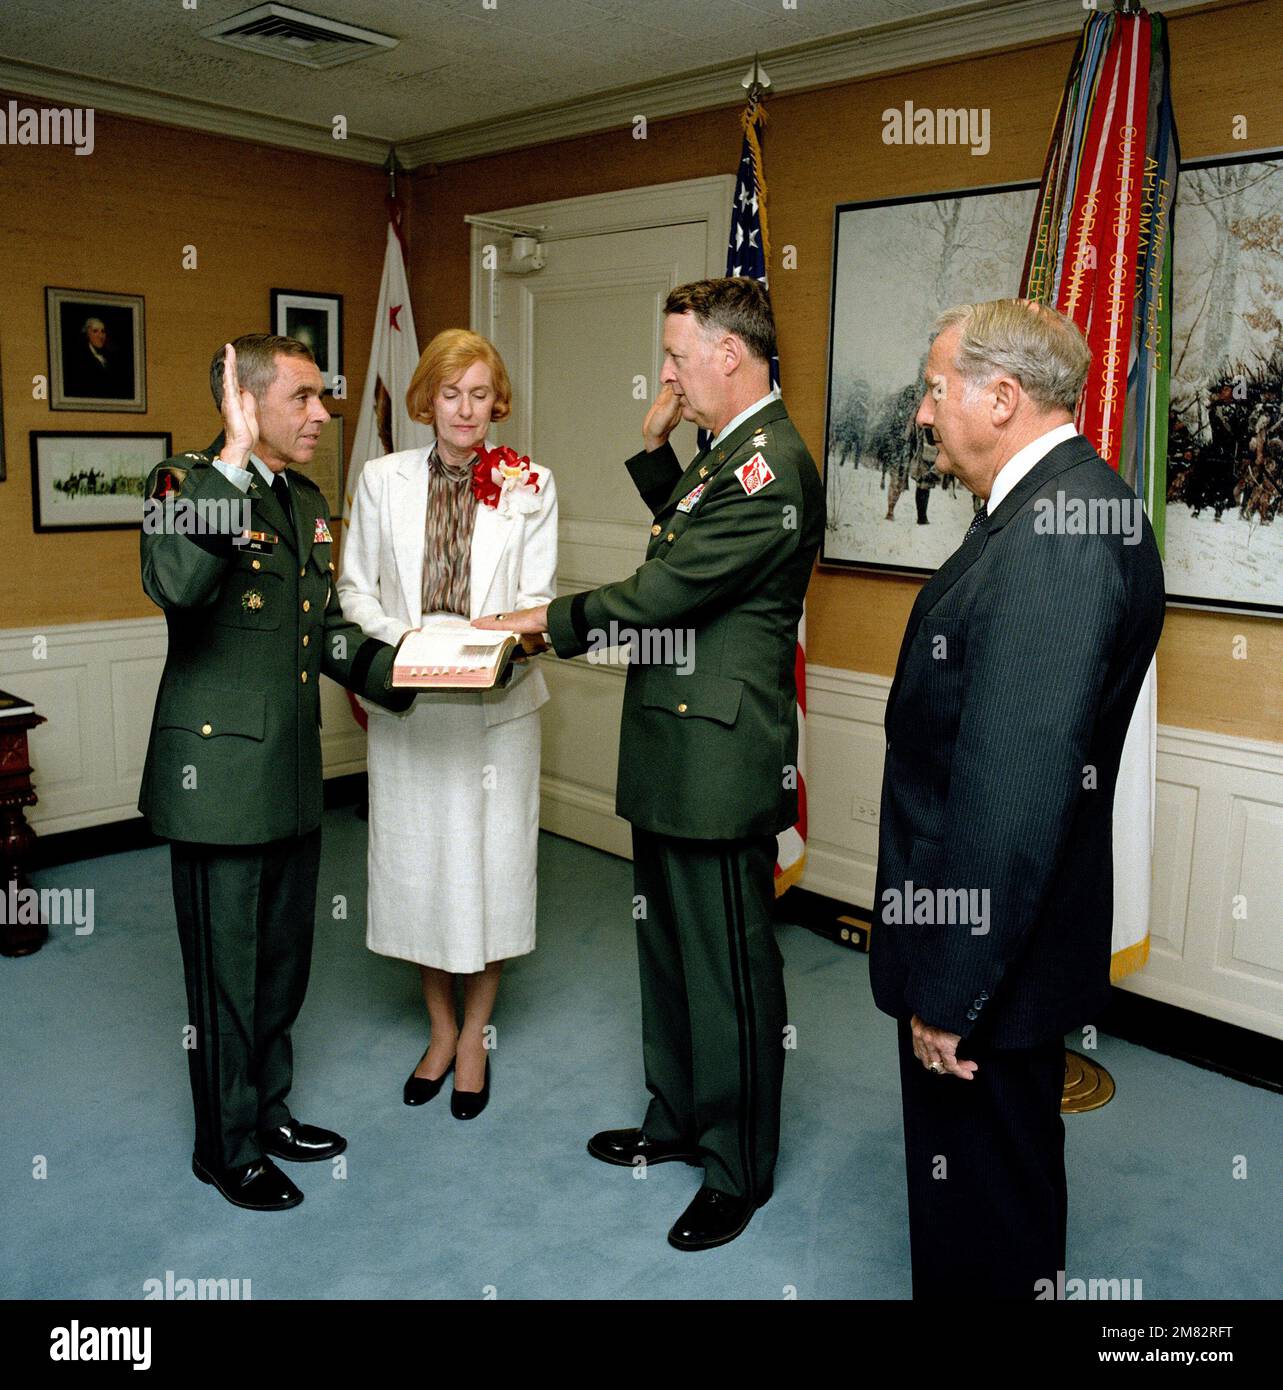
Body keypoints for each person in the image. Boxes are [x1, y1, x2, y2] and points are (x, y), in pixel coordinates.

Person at [476, 277, 824, 1250]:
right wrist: (651, 444)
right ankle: (676, 1120)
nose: (666, 370)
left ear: (728, 354)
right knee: (668, 952)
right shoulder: (728, 459)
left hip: (717, 755)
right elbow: (687, 526)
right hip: (675, 743)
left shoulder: (772, 467)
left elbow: (669, 584)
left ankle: (737, 1165)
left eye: (676, 355)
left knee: (727, 971)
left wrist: (537, 623)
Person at [869, 299, 1165, 1297]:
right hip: (1004, 947)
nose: (919, 412)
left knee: (984, 1224)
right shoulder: (1055, 508)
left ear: (999, 398)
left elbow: (1011, 795)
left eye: (933, 388)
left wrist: (950, 990)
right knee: (992, 1204)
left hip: (990, 963)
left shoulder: (1055, 536)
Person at [138, 334, 413, 1212]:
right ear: (244, 402)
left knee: (282, 963)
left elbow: (325, 626)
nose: (322, 415)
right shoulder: (183, 485)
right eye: (300, 398)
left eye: (322, 398)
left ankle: (269, 1110)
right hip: (215, 782)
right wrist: (225, 456)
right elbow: (177, 583)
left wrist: (404, 674)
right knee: (224, 976)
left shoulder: (302, 499)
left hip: (291, 775)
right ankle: (224, 1147)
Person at [338, 329, 557, 1119]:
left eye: (480, 394)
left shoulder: (531, 483)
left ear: (498, 401)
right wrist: (413, 645)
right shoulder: (379, 479)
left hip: (497, 710)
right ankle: (437, 1028)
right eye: (449, 393)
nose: (465, 410)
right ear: (425, 399)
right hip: (412, 706)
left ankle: (474, 1038)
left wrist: (474, 646)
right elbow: (355, 592)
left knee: (490, 875)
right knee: (421, 876)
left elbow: (536, 599)